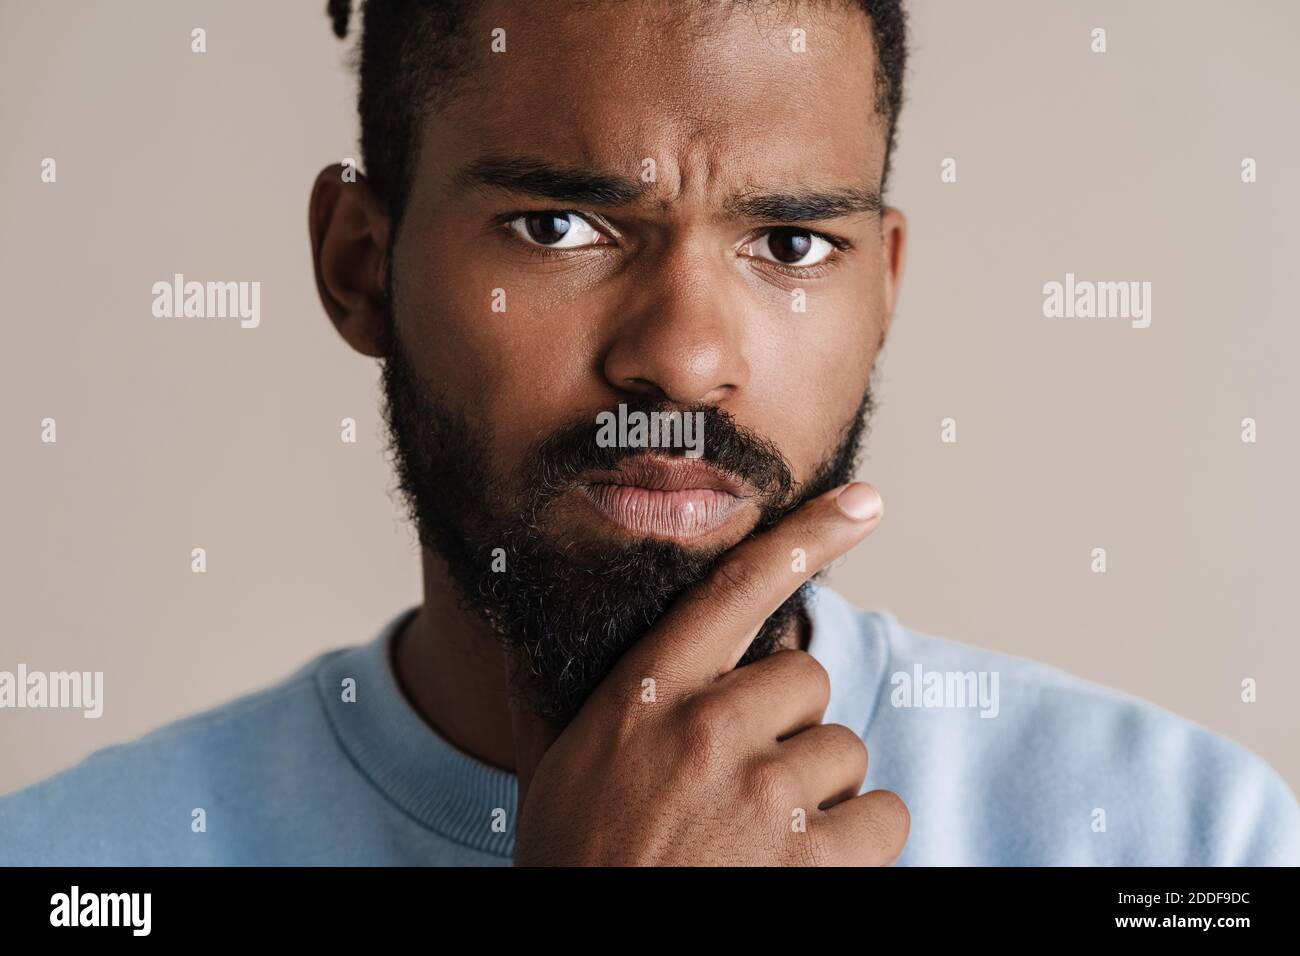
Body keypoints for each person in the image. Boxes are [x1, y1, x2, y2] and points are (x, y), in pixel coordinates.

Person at [2, 0, 1296, 866]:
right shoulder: (77, 865)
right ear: (359, 266)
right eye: (558, 228)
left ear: (885, 286)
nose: (682, 353)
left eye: (792, 243)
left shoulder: (1184, 842)